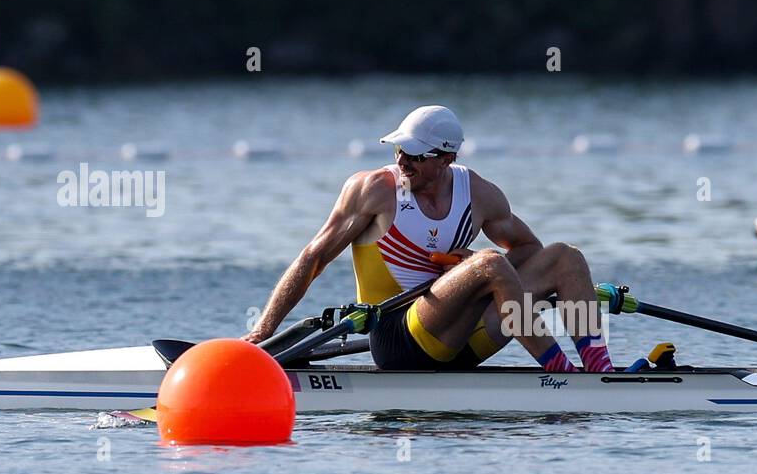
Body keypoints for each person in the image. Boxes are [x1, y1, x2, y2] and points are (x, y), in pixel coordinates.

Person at [243, 105, 613, 373]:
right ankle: (562, 375)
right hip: (397, 338)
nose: (403, 161)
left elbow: (529, 249)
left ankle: (599, 372)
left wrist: (476, 279)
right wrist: (264, 329)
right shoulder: (374, 191)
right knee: (489, 263)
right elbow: (314, 258)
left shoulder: (479, 194)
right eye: (399, 149)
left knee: (565, 257)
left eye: (415, 154)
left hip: (464, 335)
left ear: (446, 158)